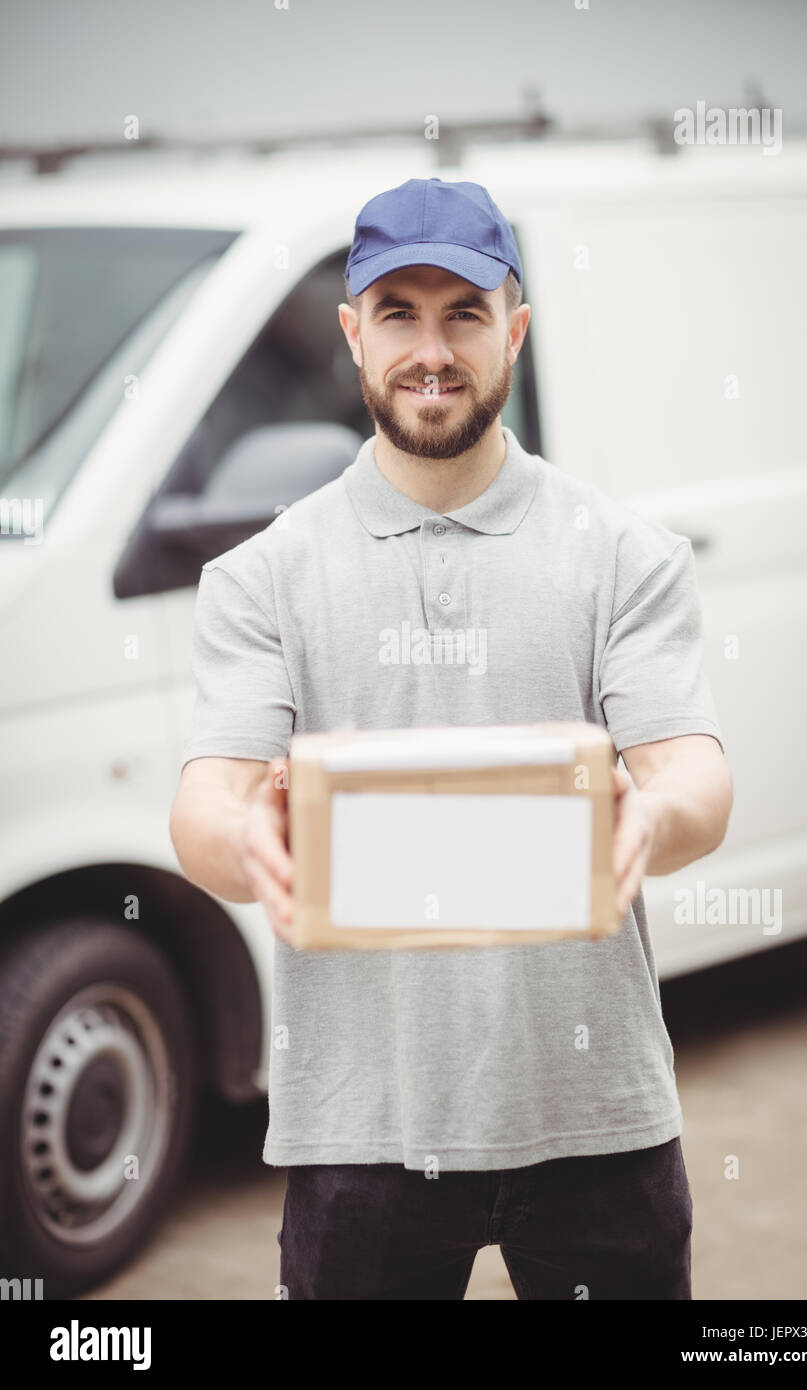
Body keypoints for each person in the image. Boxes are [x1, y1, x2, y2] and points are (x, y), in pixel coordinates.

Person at [169, 176, 733, 1301]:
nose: (432, 349)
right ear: (352, 334)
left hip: (596, 1123)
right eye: (399, 313)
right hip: (358, 1133)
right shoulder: (261, 577)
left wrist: (653, 814)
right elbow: (204, 810)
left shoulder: (620, 553)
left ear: (512, 331)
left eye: (464, 313)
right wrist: (249, 843)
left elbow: (695, 780)